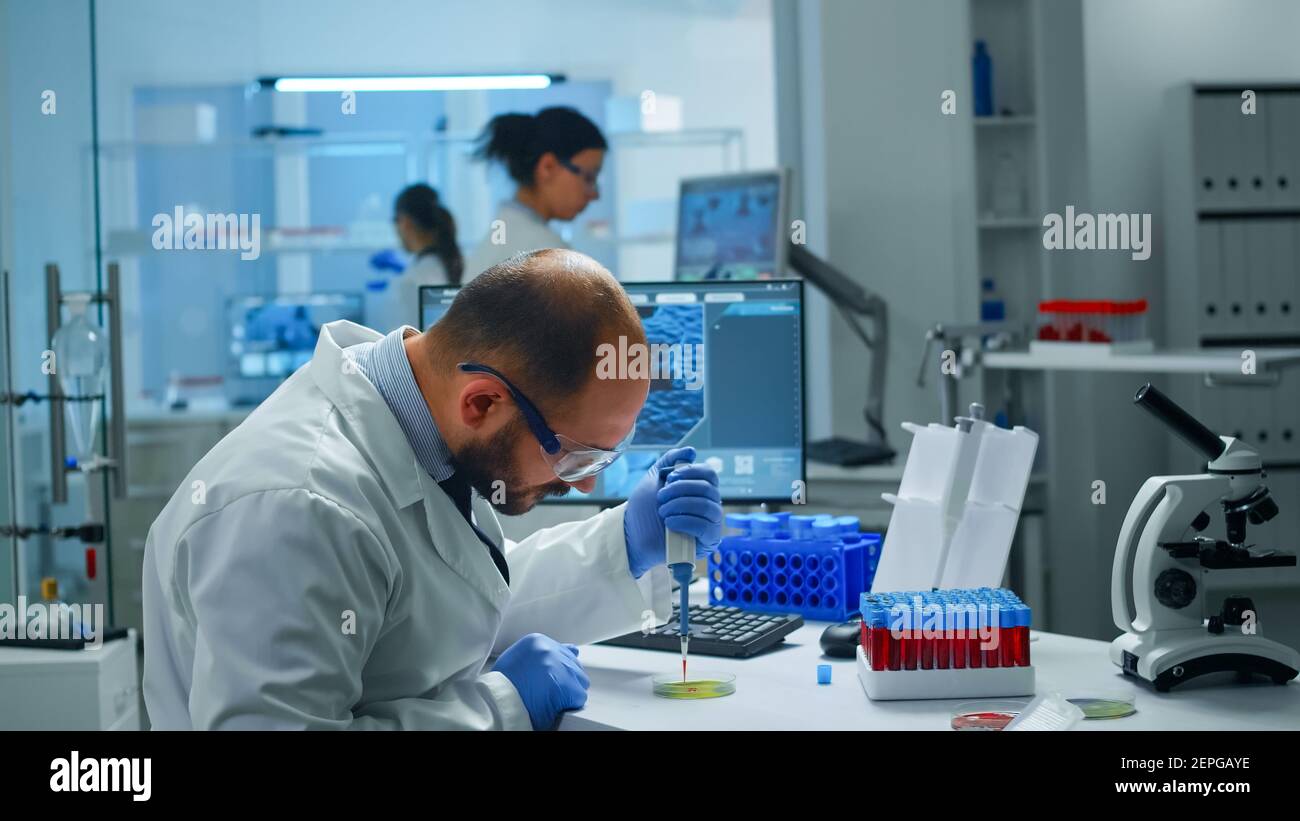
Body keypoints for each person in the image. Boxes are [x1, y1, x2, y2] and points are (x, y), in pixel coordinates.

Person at [142, 249, 722, 730]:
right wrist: (497, 710)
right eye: (575, 454)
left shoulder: (420, 423)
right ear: (484, 402)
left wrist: (623, 543)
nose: (587, 481)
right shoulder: (298, 506)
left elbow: (449, 603)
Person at [463, 107, 606, 280]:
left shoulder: (499, 236)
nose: (594, 195)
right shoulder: (547, 255)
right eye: (589, 177)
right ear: (548, 167)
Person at [367, 184, 463, 332]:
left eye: (395, 221)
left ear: (405, 221)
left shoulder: (411, 280)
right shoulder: (452, 263)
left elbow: (399, 344)